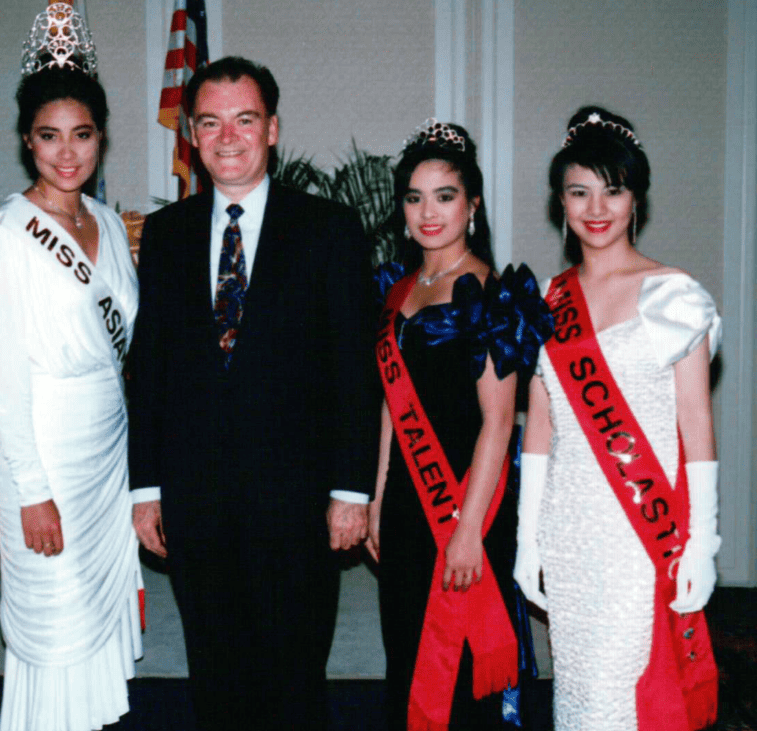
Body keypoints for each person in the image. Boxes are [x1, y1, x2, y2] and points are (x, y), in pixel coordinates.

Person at [127, 56, 379, 731]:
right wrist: (145, 487)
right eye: (210, 122)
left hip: (299, 504)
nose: (228, 137)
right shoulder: (168, 235)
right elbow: (150, 366)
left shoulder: (328, 228)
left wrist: (352, 491)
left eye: (245, 119)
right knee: (216, 675)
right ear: (192, 135)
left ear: (272, 129)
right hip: (196, 502)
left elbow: (355, 369)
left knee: (294, 680)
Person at [514, 106, 722, 731]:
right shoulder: (547, 299)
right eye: (579, 191)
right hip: (568, 528)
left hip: (641, 530)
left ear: (637, 199)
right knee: (578, 691)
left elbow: (696, 422)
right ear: (560, 201)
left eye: (614, 189)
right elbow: (541, 427)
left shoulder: (672, 294)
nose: (596, 207)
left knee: (625, 691)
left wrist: (703, 542)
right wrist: (528, 538)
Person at [0, 5, 142, 730]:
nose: (67, 153)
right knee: (55, 619)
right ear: (26, 140)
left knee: (95, 618)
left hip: (106, 456)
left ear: (101, 137)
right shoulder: (5, 234)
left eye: (82, 134)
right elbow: (2, 378)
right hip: (41, 452)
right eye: (49, 135)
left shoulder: (109, 226)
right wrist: (33, 492)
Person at [366, 121, 552, 730]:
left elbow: (498, 423)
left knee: (462, 661)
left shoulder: (489, 297)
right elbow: (392, 408)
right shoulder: (399, 289)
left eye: (444, 196)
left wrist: (468, 530)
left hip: (468, 499)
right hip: (406, 502)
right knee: (406, 648)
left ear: (472, 205)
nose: (428, 213)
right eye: (414, 198)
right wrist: (377, 498)